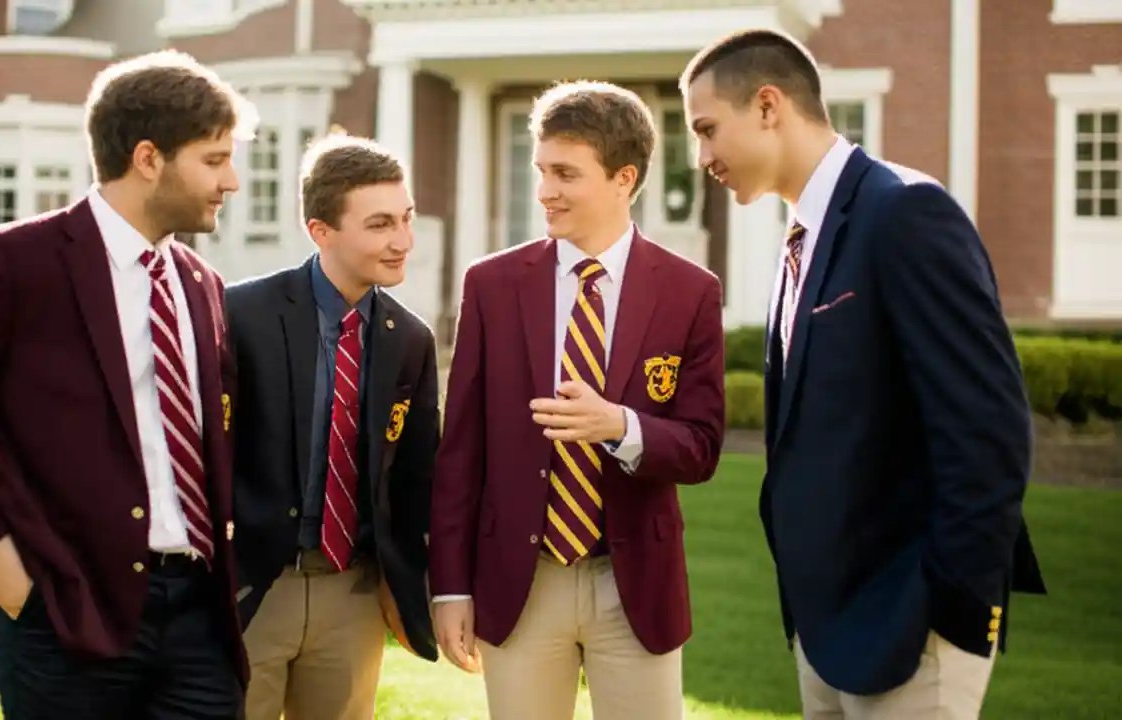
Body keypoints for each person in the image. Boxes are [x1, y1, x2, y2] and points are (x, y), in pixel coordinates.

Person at [0, 50, 257, 719]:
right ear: (149, 157)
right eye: (214, 160)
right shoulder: (14, 264)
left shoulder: (201, 285)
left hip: (198, 624)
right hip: (63, 613)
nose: (232, 180)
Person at [680, 29, 1046, 718]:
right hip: (825, 627)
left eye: (707, 130)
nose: (702, 157)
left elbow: (989, 431)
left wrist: (951, 607)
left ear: (767, 105)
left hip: (911, 627)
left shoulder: (904, 212)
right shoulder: (799, 240)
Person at [429, 80, 725, 720]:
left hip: (635, 584)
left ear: (623, 177)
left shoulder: (689, 292)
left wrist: (620, 425)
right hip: (519, 581)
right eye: (541, 170)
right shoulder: (492, 285)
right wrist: (449, 587)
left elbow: (701, 448)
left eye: (565, 173)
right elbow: (460, 454)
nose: (544, 191)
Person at [226, 133, 439, 720]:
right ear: (322, 232)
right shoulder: (239, 315)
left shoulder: (411, 340)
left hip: (354, 592)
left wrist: (409, 584)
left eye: (405, 219)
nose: (402, 241)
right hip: (253, 585)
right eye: (379, 225)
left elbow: (416, 478)